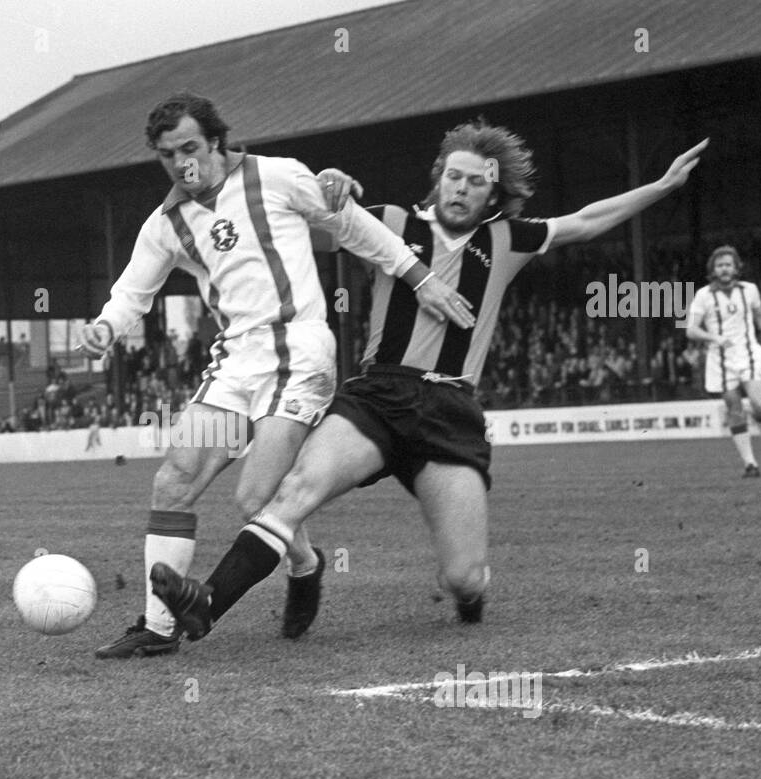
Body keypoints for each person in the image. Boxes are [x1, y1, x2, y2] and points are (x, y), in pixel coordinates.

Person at [148, 120, 709, 642]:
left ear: (493, 193)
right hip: (375, 399)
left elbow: (586, 221)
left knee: (462, 577)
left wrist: (661, 185)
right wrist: (330, 185)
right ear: (438, 178)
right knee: (291, 493)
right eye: (454, 176)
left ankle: (471, 592)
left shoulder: (510, 239)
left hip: (449, 410)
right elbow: (290, 226)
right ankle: (207, 602)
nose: (462, 189)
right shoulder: (390, 223)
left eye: (476, 183)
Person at [80, 91, 472, 659]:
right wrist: (104, 327)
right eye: (167, 155)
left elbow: (353, 223)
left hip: (301, 349)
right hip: (236, 359)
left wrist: (419, 277)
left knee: (255, 496)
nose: (182, 163)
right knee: (173, 479)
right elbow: (130, 294)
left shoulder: (278, 177)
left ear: (215, 140)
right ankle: (160, 627)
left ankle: (305, 566)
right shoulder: (164, 223)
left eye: (190, 147)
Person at [685, 245, 761, 476]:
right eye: (720, 265)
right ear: (713, 269)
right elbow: (691, 330)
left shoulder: (749, 290)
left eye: (728, 265)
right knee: (734, 409)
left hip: (749, 354)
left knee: (759, 404)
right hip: (721, 360)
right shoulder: (703, 295)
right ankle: (750, 464)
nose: (724, 269)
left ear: (736, 268)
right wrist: (714, 337)